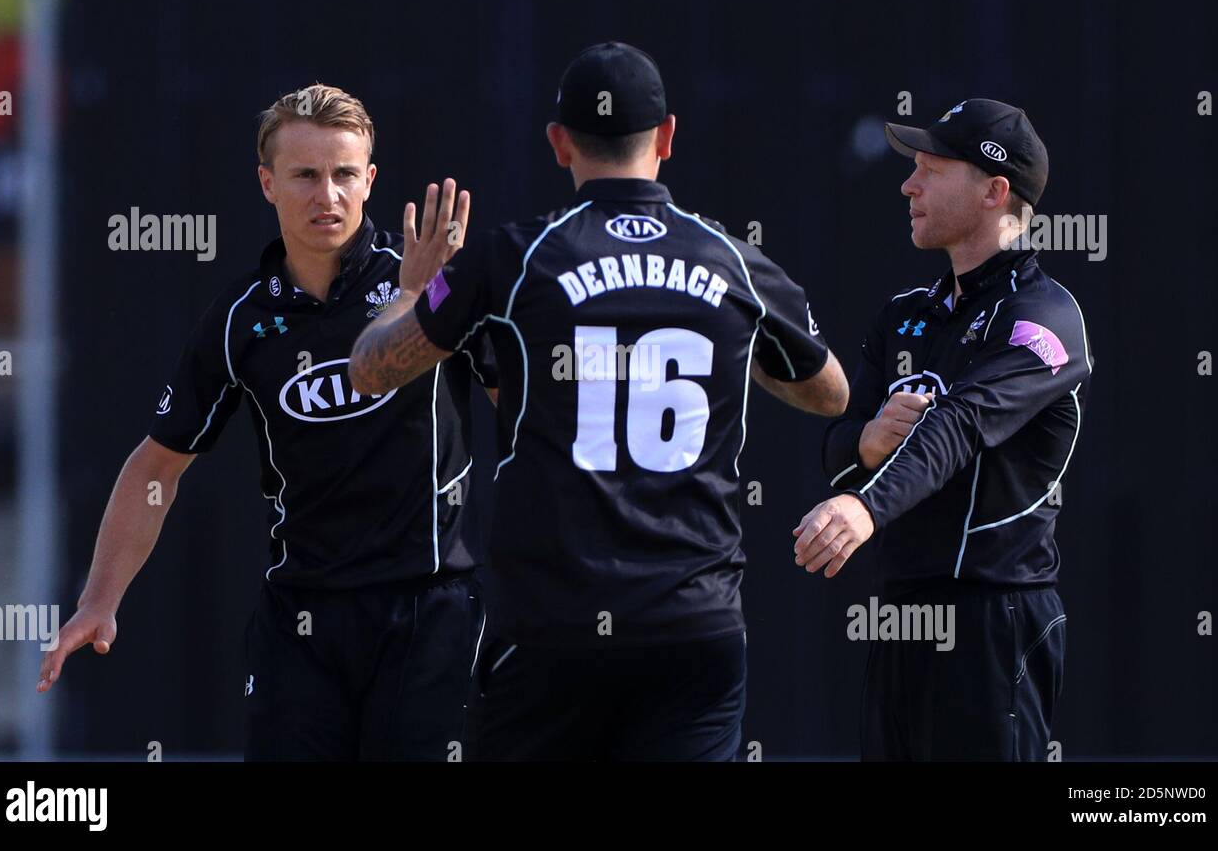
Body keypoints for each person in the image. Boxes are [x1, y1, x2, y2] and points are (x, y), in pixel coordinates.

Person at [349, 42, 849, 761]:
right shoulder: (733, 260)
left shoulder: (511, 258)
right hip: (692, 627)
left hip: (552, 629)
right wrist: (738, 342)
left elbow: (371, 371)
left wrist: (408, 291)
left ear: (558, 143)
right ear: (668, 137)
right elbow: (829, 392)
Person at [38, 84, 494, 761]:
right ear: (266, 183)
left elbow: (523, 407)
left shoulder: (427, 284)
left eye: (344, 175)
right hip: (302, 618)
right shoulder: (241, 321)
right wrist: (98, 600)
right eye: (305, 175)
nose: (327, 196)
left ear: (370, 181)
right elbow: (156, 465)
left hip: (429, 612)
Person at [795, 98, 1092, 761]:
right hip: (901, 612)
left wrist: (865, 506)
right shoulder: (906, 315)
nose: (909, 184)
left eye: (931, 168)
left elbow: (957, 427)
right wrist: (868, 442)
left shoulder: (1043, 318)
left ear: (994, 191)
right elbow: (841, 443)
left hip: (996, 619)